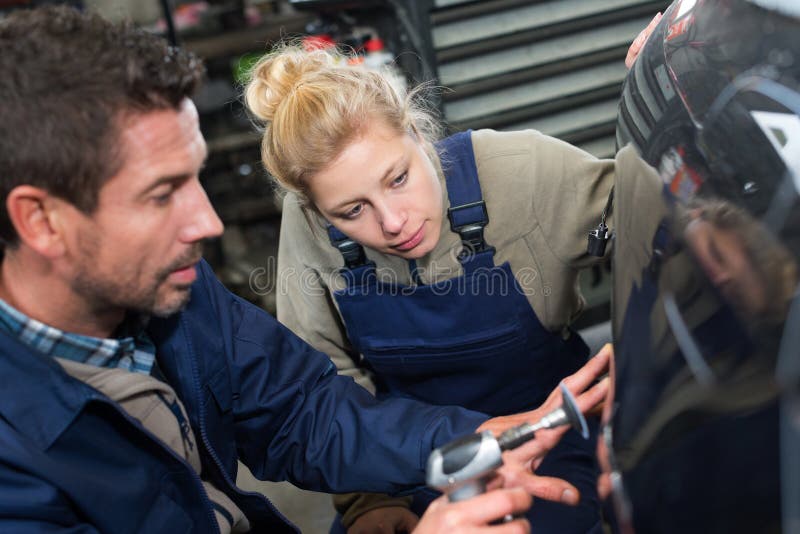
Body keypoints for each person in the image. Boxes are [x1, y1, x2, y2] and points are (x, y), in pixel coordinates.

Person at [0, 6, 611, 533]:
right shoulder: (16, 475)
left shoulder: (167, 293)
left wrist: (473, 443)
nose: (208, 224)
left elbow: (304, 412)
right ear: (41, 221)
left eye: (197, 179)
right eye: (162, 194)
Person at [242, 37, 640, 532]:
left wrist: (643, 366)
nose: (392, 222)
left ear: (416, 132)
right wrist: (367, 498)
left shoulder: (523, 171)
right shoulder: (308, 226)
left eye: (398, 178)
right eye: (352, 210)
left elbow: (676, 234)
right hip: (405, 461)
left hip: (551, 437)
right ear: (315, 208)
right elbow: (325, 375)